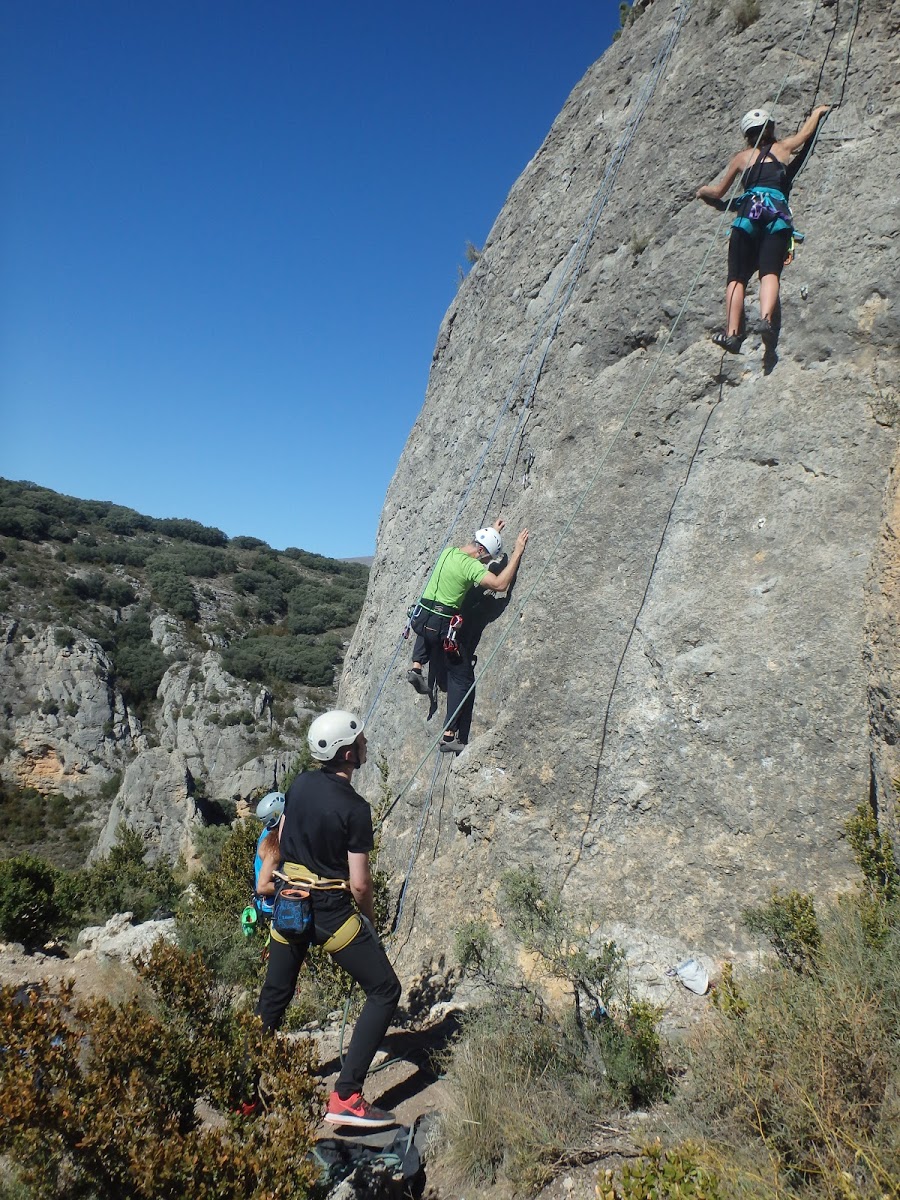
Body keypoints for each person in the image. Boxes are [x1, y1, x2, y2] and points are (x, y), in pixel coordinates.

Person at [255, 710, 401, 1130]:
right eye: (360, 741)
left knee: (274, 996)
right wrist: (371, 921)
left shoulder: (299, 783)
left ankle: (242, 1089)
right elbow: (359, 884)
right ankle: (346, 1095)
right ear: (348, 753)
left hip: (287, 902)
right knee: (384, 989)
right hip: (331, 912)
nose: (365, 745)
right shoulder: (356, 809)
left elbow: (279, 840)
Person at [696, 103, 829, 352]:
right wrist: (816, 113)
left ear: (747, 135)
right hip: (776, 215)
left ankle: (733, 335)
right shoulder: (782, 148)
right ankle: (766, 320)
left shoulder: (740, 158)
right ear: (770, 128)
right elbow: (804, 136)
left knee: (736, 277)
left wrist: (703, 191)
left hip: (747, 216)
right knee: (769, 271)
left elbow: (718, 192)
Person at [407, 518, 529, 752]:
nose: (484, 562)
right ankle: (450, 735)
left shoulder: (448, 552)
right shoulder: (470, 566)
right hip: (443, 627)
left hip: (422, 621)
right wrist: (516, 553)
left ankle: (416, 667)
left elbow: (478, 546)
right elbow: (500, 585)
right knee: (461, 678)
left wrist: (492, 531)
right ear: (482, 552)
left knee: (429, 626)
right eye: (485, 558)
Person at [252, 791, 284, 918]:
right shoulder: (274, 846)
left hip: (264, 905)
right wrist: (291, 886)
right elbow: (262, 886)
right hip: (271, 909)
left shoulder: (267, 831)